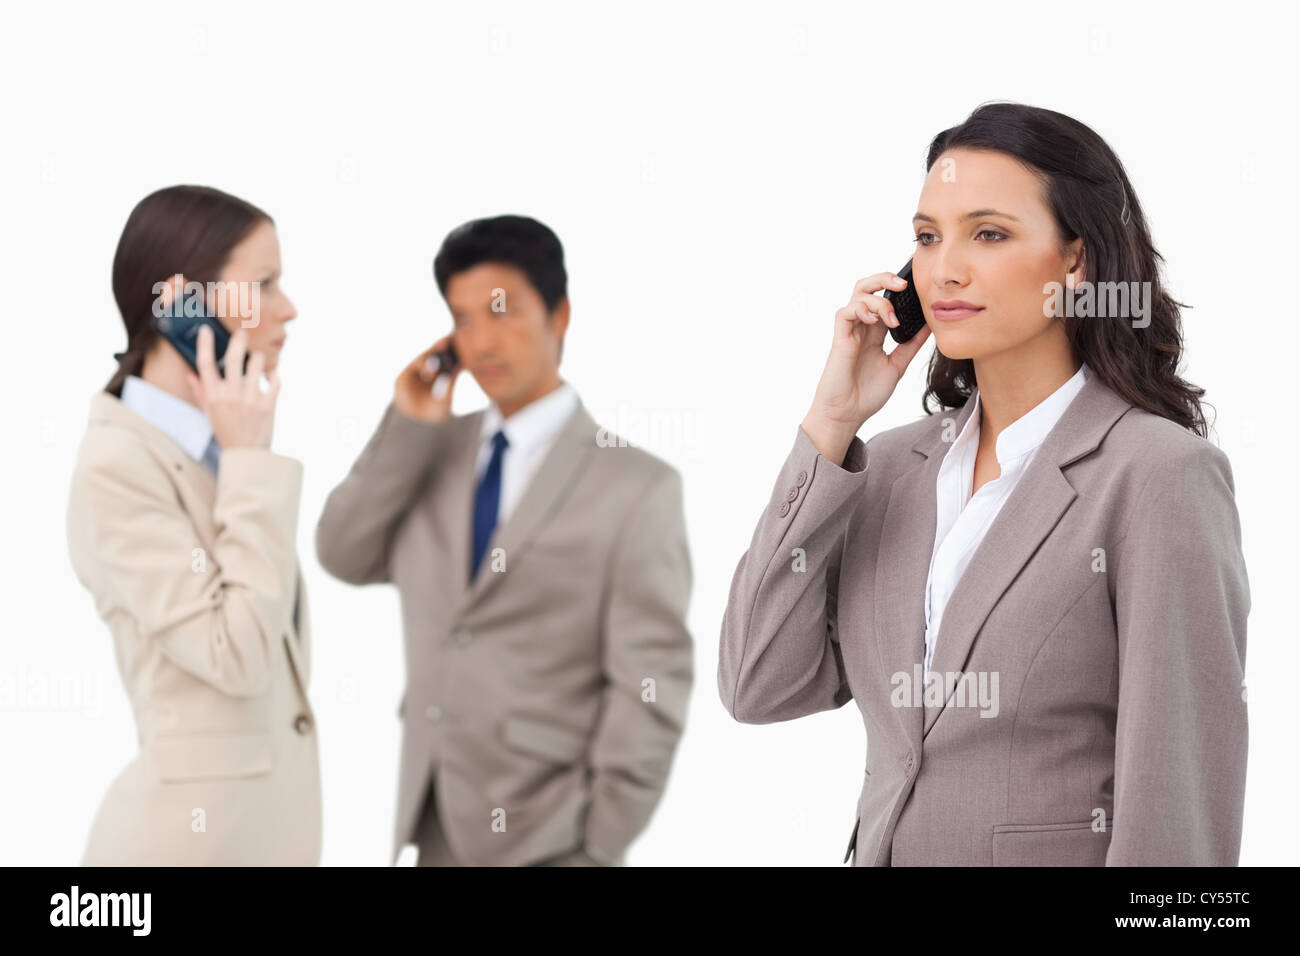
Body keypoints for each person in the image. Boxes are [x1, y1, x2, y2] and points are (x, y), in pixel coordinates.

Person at [718, 102, 1250, 866]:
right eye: (928, 237)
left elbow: (1181, 795)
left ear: (1076, 263)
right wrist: (831, 424)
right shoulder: (889, 471)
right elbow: (756, 684)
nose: (945, 268)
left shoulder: (1158, 475)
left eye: (989, 233)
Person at [315, 215, 693, 867]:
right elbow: (342, 552)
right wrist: (408, 424)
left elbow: (650, 690)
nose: (481, 340)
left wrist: (596, 846)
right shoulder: (428, 453)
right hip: (431, 825)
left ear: (560, 314)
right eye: (462, 319)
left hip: (551, 839)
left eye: (500, 311)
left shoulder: (638, 487)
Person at [67, 185, 319, 865]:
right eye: (263, 284)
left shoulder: (211, 453)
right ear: (182, 304)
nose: (288, 309)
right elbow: (234, 655)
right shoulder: (117, 467)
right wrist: (248, 463)